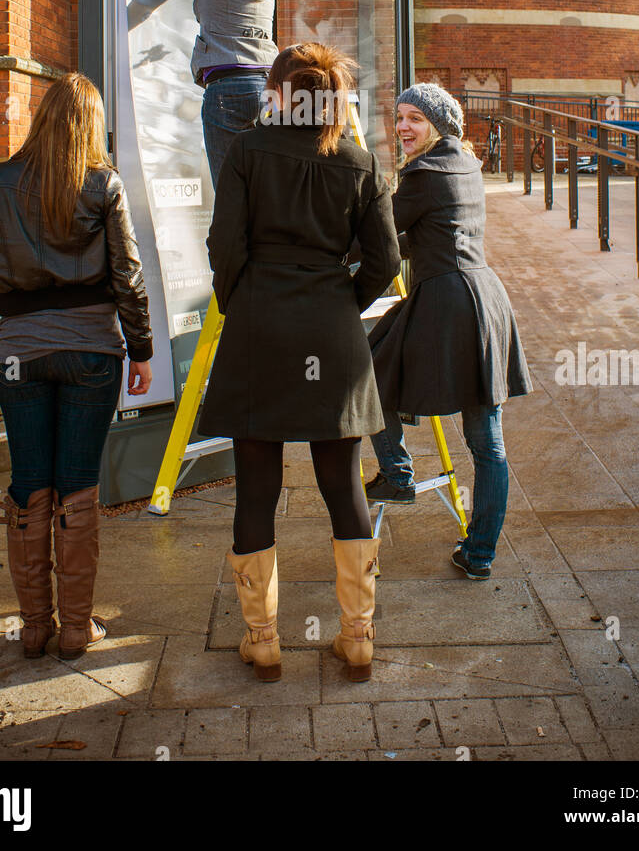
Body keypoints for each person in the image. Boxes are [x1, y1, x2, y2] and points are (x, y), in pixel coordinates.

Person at [198, 43, 401, 682]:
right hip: (330, 332)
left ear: (279, 92)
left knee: (256, 486)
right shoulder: (361, 161)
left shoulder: (247, 151)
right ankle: (358, 637)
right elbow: (387, 261)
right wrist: (342, 301)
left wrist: (241, 300)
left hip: (259, 326)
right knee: (343, 484)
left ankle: (262, 640)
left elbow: (223, 244)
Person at [0, 73, 153, 661]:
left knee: (28, 483)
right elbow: (128, 274)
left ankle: (33, 627)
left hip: (19, 355)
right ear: (90, 125)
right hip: (93, 351)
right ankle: (76, 627)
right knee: (78, 486)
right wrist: (140, 348)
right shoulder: (103, 184)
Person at [365, 83, 532, 579]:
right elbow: (433, 231)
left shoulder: (421, 173)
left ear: (436, 123)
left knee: (367, 372)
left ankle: (396, 474)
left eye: (415, 118)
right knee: (487, 440)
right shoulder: (464, 164)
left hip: (447, 301)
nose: (403, 128)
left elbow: (383, 237)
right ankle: (479, 554)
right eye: (399, 118)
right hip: (485, 298)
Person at [127, 0, 284, 187]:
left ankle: (231, 237)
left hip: (228, 88)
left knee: (229, 187)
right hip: (268, 87)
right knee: (262, 184)